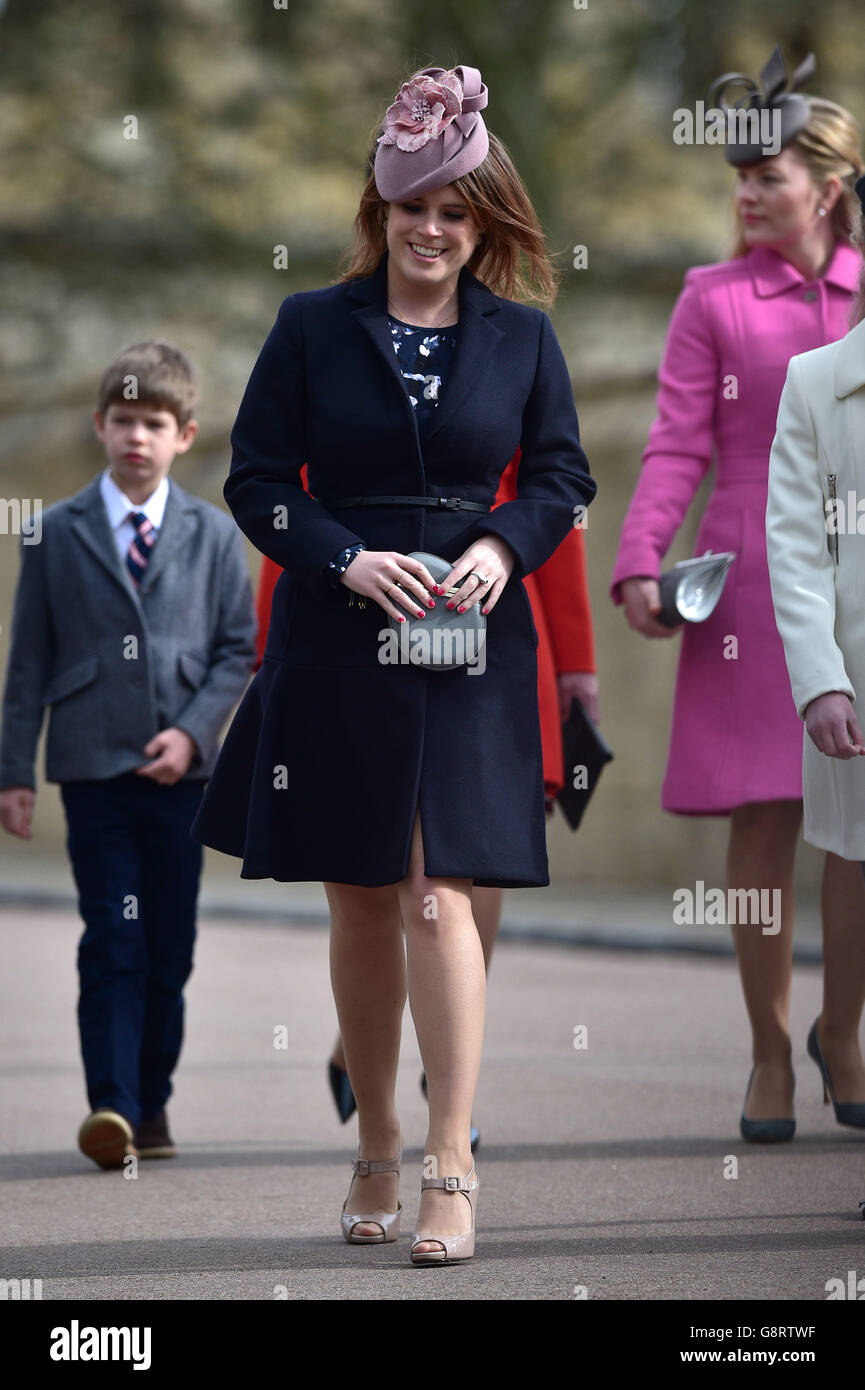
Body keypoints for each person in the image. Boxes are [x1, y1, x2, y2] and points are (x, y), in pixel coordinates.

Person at [189, 64, 596, 1264]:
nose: (432, 230)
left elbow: (564, 480)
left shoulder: (523, 339)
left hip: (470, 641)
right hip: (340, 633)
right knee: (362, 894)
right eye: (413, 207)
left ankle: (448, 1157)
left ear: (486, 224)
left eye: (456, 212)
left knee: (433, 885)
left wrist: (498, 543)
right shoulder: (309, 325)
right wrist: (345, 558)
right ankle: (372, 1142)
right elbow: (255, 482)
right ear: (381, 212)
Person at [610, 47, 865, 1140]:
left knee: (855, 832)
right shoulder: (709, 297)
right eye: (739, 177)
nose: (747, 193)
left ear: (829, 186)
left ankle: (842, 1032)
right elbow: (675, 446)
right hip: (749, 585)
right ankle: (768, 1051)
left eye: (768, 175)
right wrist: (635, 558)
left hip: (858, 571)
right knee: (763, 818)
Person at [251, 454, 599, 1143]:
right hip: (357, 607)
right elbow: (293, 493)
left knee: (470, 853)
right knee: (372, 874)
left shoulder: (511, 344)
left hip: (488, 613)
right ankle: (371, 1058)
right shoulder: (336, 345)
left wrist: (578, 660)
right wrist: (272, 651)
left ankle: (445, 1088)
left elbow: (552, 502)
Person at [0, 341, 257, 1169]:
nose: (135, 437)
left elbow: (235, 651)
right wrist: (13, 770)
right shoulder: (54, 532)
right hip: (92, 769)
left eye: (153, 423)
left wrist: (191, 731)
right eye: (122, 421)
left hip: (184, 775)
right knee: (110, 937)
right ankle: (108, 1105)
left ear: (183, 434)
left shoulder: (218, 537)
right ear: (99, 427)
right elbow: (27, 662)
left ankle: (152, 1103)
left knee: (168, 946)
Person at [766, 169, 865, 1141]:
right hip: (856, 686)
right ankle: (839, 1027)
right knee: (856, 860)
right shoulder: (815, 381)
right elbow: (794, 546)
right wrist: (820, 679)